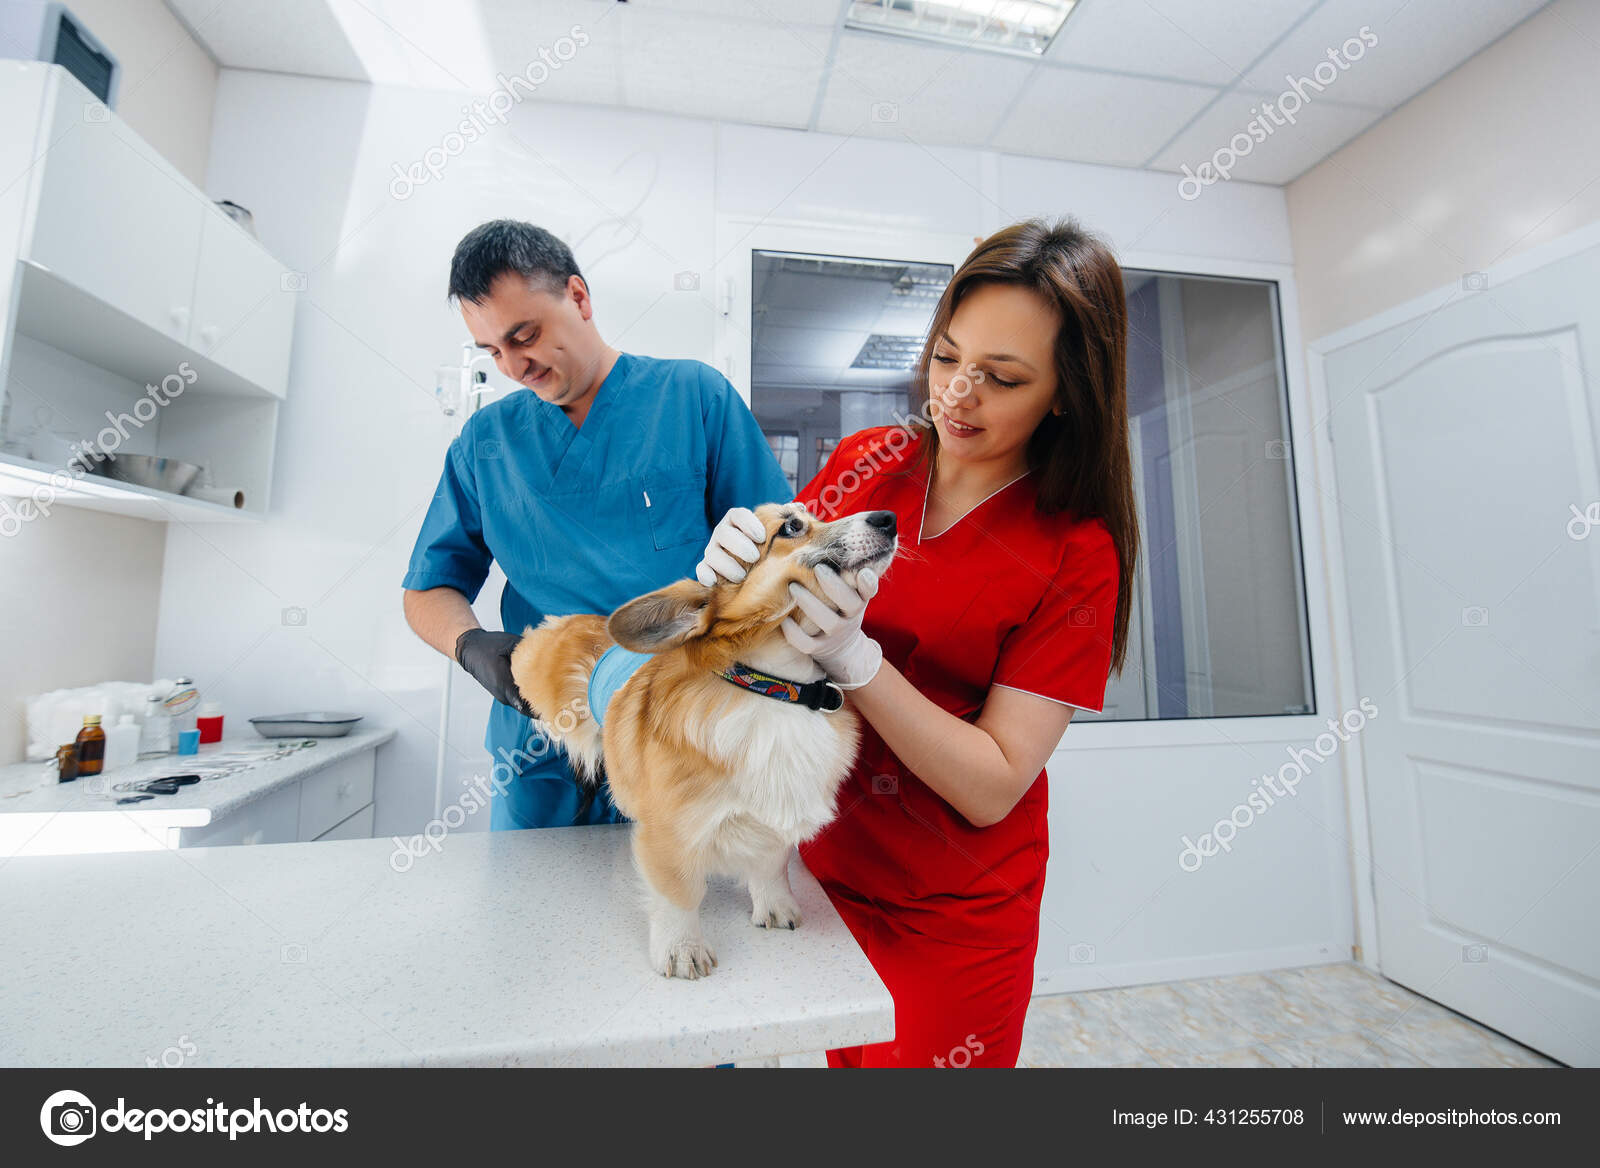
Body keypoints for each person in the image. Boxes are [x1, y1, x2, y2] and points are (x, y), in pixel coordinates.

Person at [696, 218, 1139, 1067]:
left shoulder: (1075, 550)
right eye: (945, 357)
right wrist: (734, 569)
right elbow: (773, 625)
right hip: (825, 871)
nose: (956, 395)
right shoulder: (874, 458)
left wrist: (860, 661)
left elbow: (995, 785)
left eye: (1002, 377)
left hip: (953, 910)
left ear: (1067, 393)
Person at [403, 220, 791, 829]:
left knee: (684, 915)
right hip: (542, 752)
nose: (513, 366)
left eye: (523, 336)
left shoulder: (693, 398)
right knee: (532, 919)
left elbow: (780, 555)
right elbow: (428, 585)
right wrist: (470, 646)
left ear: (578, 298)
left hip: (684, 733)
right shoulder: (486, 443)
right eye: (492, 352)